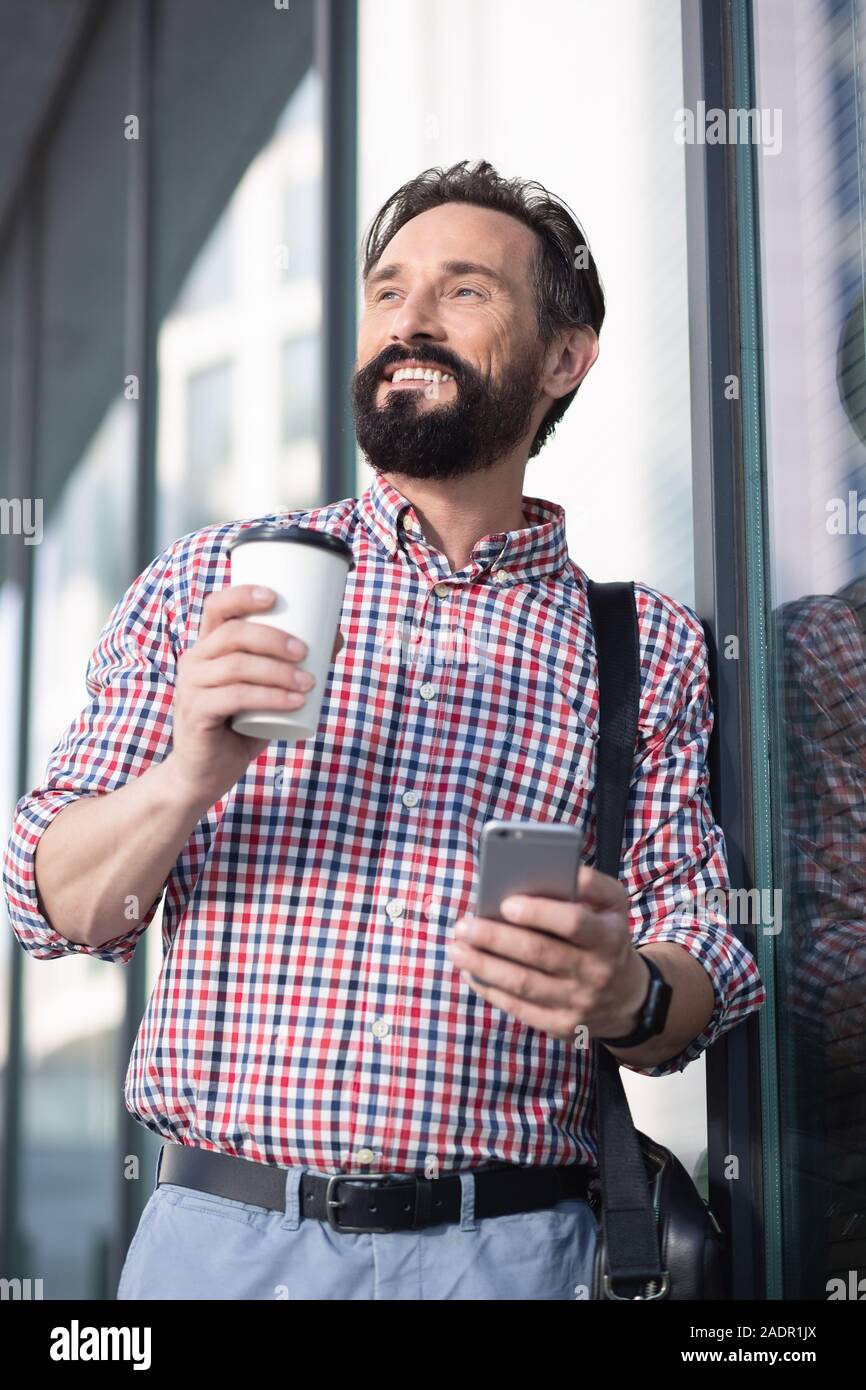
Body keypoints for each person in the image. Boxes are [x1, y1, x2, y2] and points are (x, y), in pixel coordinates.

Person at [3, 159, 765, 1301]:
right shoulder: (216, 579)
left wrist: (624, 993)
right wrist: (185, 777)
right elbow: (48, 905)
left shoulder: (639, 644)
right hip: (219, 1247)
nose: (409, 317)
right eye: (387, 290)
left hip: (511, 1253)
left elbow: (703, 953)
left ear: (562, 359)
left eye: (464, 291)